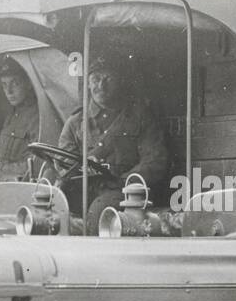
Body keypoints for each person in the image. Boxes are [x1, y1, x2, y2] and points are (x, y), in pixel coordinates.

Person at [56, 51, 169, 231]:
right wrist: (81, 168)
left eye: (108, 79)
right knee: (50, 211)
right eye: (95, 79)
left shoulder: (139, 117)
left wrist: (121, 182)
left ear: (119, 81)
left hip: (122, 191)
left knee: (100, 212)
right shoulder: (76, 122)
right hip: (83, 187)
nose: (101, 85)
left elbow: (155, 161)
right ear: (87, 83)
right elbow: (63, 161)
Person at [0, 58, 41, 184]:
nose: (9, 91)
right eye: (4, 85)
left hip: (18, 187)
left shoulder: (37, 116)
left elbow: (36, 161)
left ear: (28, 84)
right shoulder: (12, 114)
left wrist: (0, 172)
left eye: (15, 83)